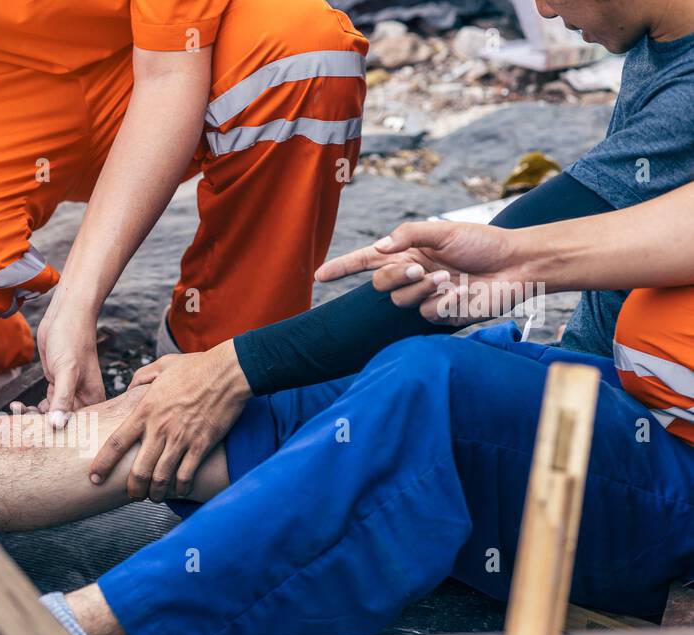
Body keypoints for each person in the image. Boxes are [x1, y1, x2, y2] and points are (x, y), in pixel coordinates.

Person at [0, 178, 694, 635]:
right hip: (609, 393)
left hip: (669, 469)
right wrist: (230, 376)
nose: (537, 11)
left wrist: (236, 357)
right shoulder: (658, 67)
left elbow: (539, 238)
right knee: (324, 398)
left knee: (429, 385)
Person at [90, 0, 694, 503]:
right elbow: (509, 258)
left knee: (394, 391)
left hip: (627, 427)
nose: (540, 9)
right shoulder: (659, 36)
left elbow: (507, 254)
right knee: (242, 420)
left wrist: (233, 368)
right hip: (577, 377)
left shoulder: (683, 99)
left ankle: (83, 623)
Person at [0, 0, 367, 450]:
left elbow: (170, 75)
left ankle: (216, 342)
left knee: (307, 54)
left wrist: (78, 305)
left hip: (147, 62)